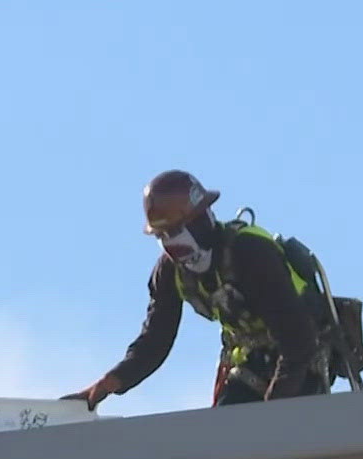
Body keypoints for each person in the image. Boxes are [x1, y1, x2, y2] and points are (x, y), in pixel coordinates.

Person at [66, 170, 330, 410]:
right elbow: (155, 340)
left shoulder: (249, 252)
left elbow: (298, 340)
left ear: (203, 219)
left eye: (176, 231)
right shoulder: (170, 272)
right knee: (220, 439)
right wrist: (108, 384)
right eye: (162, 236)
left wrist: (273, 410)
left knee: (278, 439)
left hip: (303, 357)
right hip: (252, 363)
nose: (171, 244)